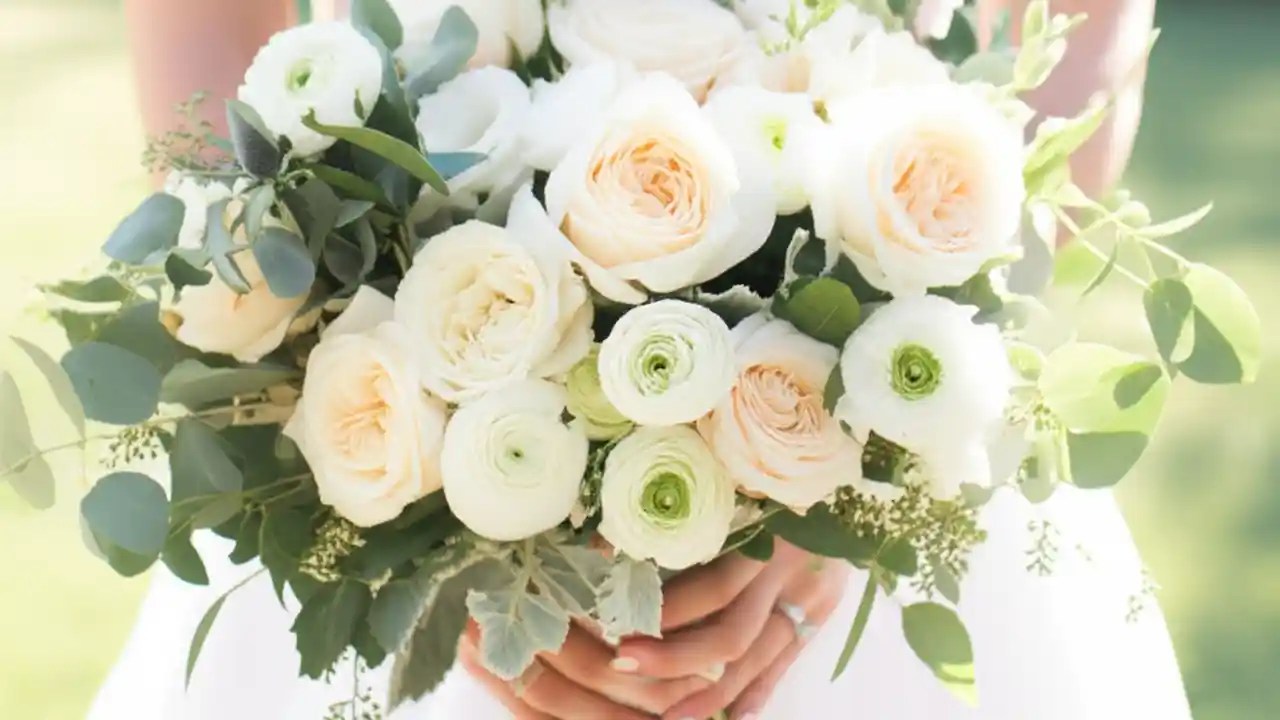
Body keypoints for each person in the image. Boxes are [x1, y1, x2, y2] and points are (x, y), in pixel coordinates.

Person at [91, 1, 1190, 718]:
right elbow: (203, 37)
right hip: (394, 445)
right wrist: (438, 493)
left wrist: (845, 482)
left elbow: (1083, 46)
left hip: (891, 486)